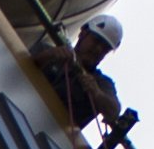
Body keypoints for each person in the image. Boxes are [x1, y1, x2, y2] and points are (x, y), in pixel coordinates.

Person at [26, 12, 129, 141]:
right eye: (96, 41)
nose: (98, 50)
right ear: (83, 33)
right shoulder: (47, 51)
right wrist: (48, 56)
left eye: (105, 48)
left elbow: (113, 111)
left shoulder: (101, 83)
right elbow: (19, 64)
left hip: (50, 138)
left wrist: (96, 92)